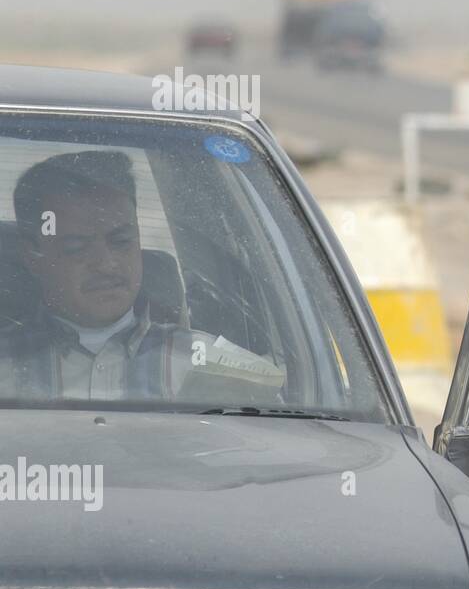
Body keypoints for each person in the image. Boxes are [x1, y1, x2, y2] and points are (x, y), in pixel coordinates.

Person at [0, 149, 284, 402]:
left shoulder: (218, 370)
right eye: (77, 247)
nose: (106, 264)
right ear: (32, 255)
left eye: (121, 241)